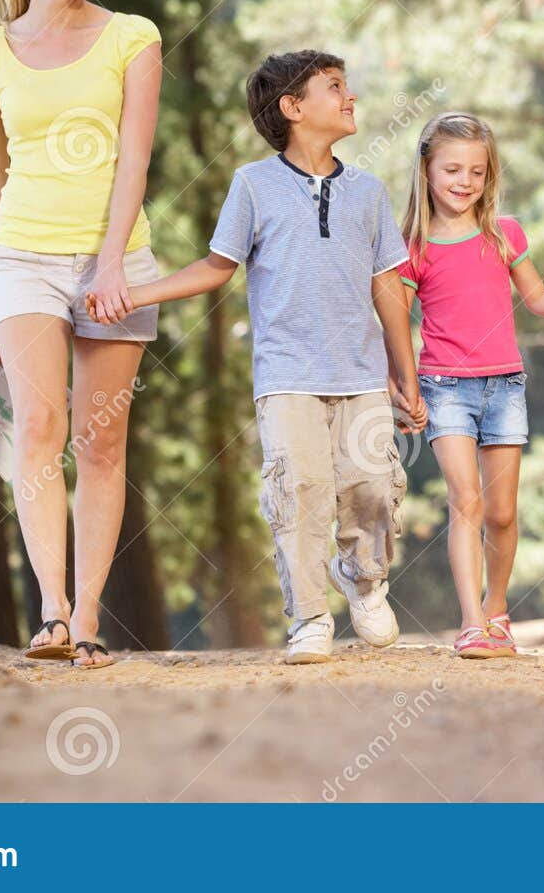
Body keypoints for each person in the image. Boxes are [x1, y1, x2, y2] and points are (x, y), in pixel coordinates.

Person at [88, 51, 424, 665]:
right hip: (287, 373)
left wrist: (406, 373)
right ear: (293, 109)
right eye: (334, 88)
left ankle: (365, 581)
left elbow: (388, 287)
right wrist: (133, 294)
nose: (350, 98)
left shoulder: (369, 193)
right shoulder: (253, 185)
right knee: (300, 491)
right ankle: (310, 616)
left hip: (362, 374)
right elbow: (218, 268)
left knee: (373, 488)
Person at [0, 0, 163, 670]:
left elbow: (135, 158)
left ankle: (88, 617)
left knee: (100, 441)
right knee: (38, 431)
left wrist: (112, 262)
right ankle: (50, 613)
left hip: (115, 256)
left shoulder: (133, 37)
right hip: (20, 257)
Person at [396, 113, 544, 658]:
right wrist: (402, 384)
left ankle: (498, 610)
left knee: (502, 512)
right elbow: (395, 324)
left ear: (490, 176)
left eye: (477, 173)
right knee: (467, 501)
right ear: (427, 170)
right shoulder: (412, 247)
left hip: (504, 387)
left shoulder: (503, 235)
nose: (464, 182)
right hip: (444, 389)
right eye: (452, 169)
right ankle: (470, 624)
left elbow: (538, 299)